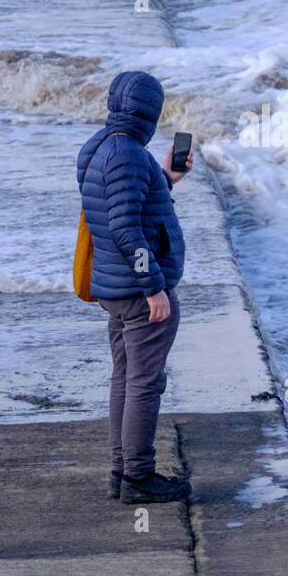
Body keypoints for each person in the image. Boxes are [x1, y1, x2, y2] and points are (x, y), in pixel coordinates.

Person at [77, 71, 192, 503]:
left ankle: (122, 472)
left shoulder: (99, 148)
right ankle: (139, 477)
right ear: (150, 110)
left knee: (126, 379)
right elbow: (126, 229)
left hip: (114, 287)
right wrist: (154, 287)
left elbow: (116, 207)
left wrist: (165, 177)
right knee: (144, 383)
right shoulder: (126, 153)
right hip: (138, 292)